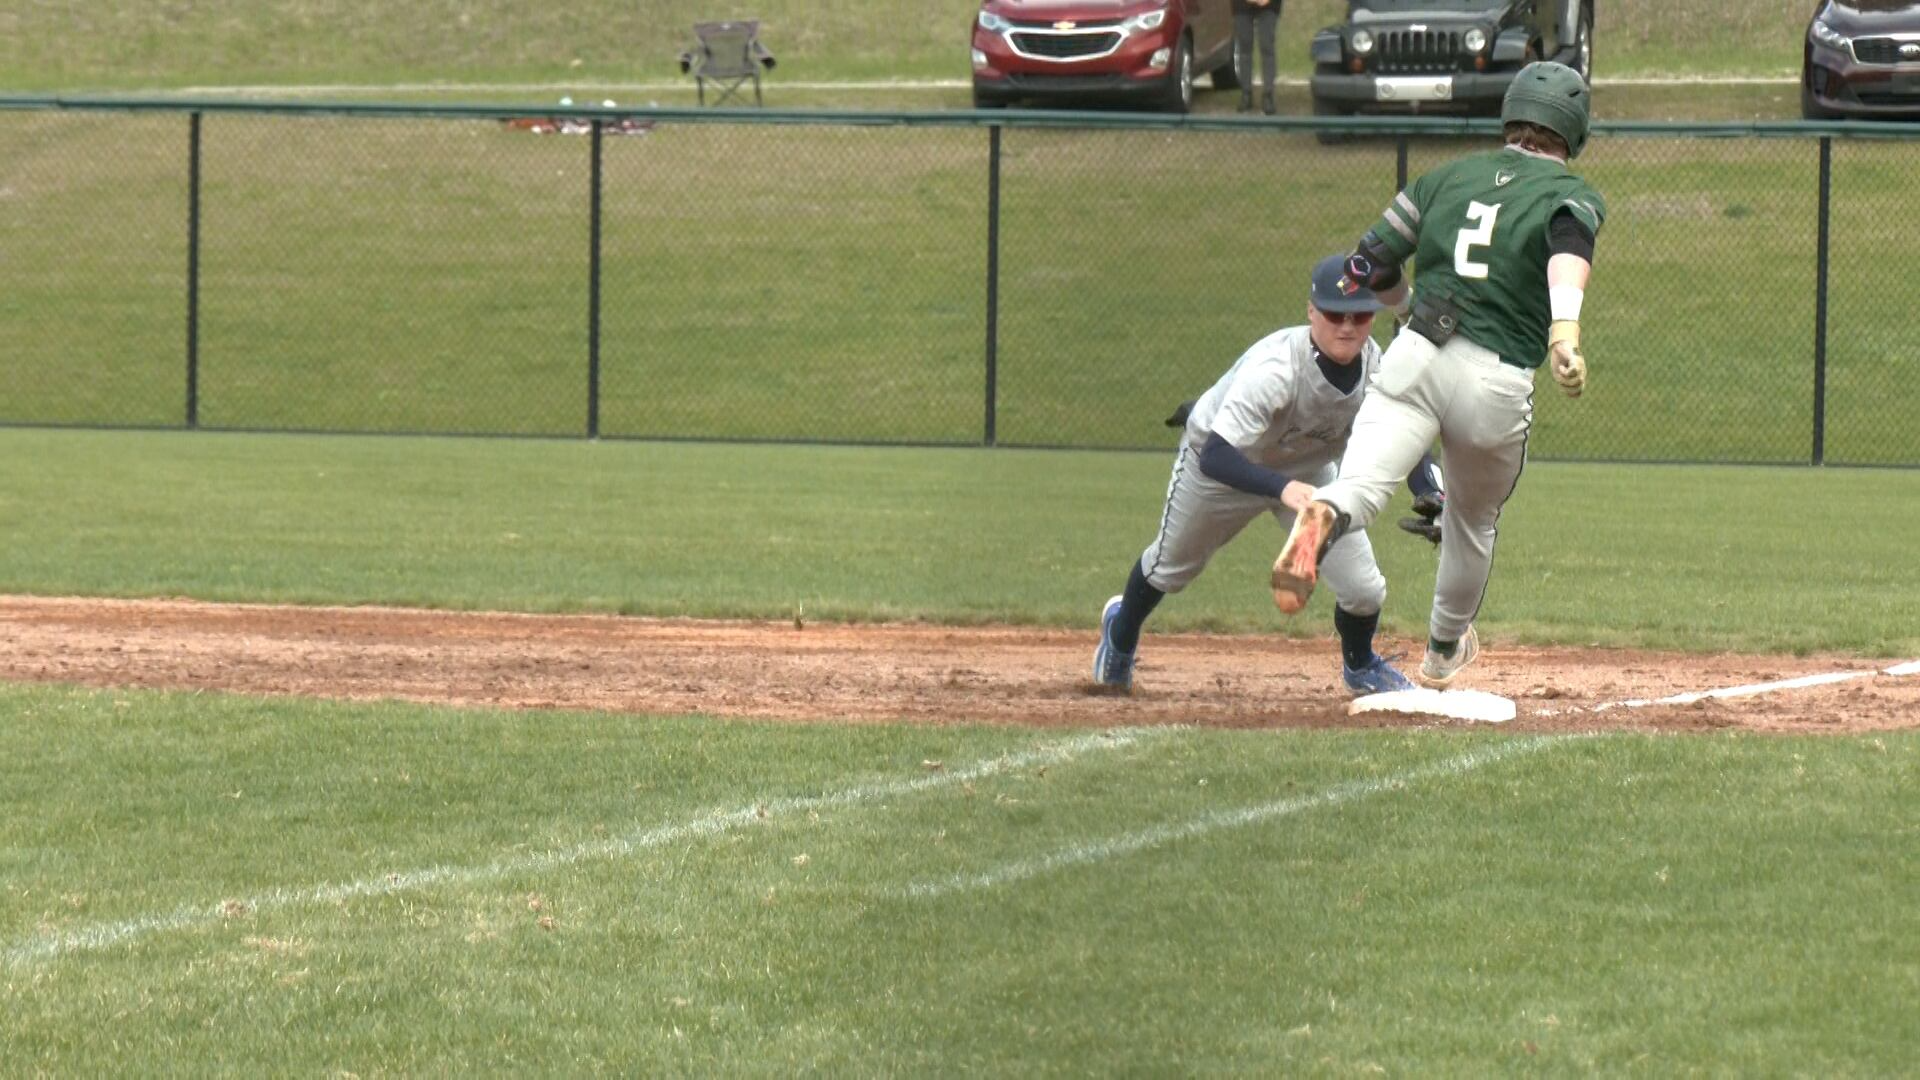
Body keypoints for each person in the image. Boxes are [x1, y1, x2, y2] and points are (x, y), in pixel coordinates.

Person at [1270, 61, 1606, 688]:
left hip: (1416, 353)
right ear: (1573, 130)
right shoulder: (1574, 193)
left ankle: (1324, 515)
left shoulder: (1444, 177)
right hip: (1495, 378)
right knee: (1470, 522)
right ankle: (1442, 650)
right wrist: (1565, 330)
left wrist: (1403, 308)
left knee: (1363, 486)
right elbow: (1567, 247)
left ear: (1510, 114)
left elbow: (1363, 264)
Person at [1093, 254, 1442, 698]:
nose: (1347, 326)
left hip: (1308, 473)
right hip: (1220, 466)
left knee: (1364, 589)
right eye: (1335, 313)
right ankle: (1119, 636)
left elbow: (1402, 439)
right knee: (1170, 567)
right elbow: (1216, 456)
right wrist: (1282, 488)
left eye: (1361, 315)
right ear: (1311, 310)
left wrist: (1431, 492)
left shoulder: (1376, 368)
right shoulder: (1277, 369)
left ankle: (1361, 666)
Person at [1231, 0, 1280, 115]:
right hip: (1241, 5)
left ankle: (1268, 95)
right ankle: (1246, 94)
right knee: (1244, 47)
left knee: (1267, 46)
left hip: (1269, 6)